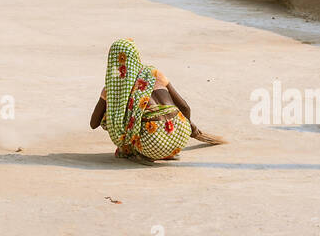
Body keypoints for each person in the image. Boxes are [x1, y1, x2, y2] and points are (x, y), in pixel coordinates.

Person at [89, 38, 225, 160]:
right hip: (180, 136)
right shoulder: (154, 74)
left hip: (151, 144)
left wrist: (111, 104)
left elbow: (94, 124)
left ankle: (136, 151)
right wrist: (192, 129)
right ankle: (169, 152)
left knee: (112, 113)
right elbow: (184, 107)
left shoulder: (112, 88)